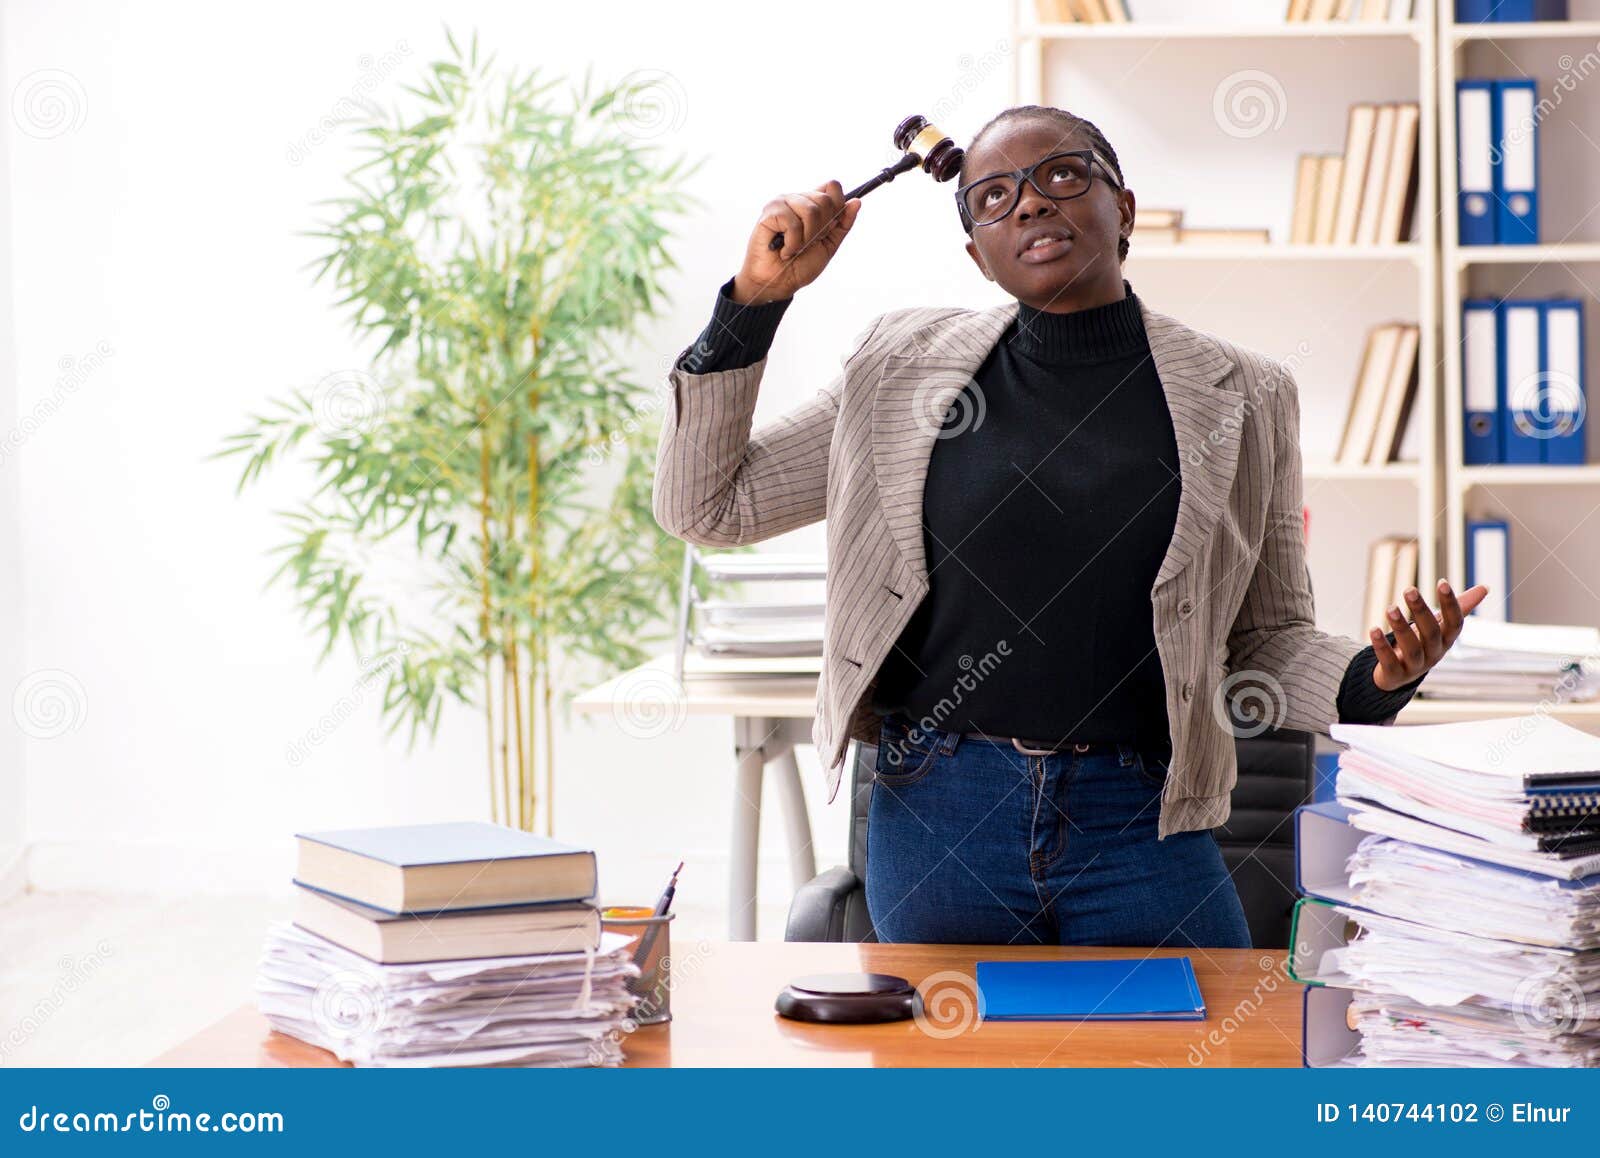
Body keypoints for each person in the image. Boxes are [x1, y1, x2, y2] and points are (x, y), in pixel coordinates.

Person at [653, 104, 1486, 947]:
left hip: (1142, 815)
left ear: (1122, 208)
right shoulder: (898, 370)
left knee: (1206, 1034)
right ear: (978, 256)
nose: (1029, 202)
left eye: (1061, 174)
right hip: (942, 812)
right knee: (955, 1039)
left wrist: (1374, 678)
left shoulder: (1248, 393)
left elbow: (1267, 636)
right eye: (993, 196)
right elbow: (708, 505)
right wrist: (754, 305)